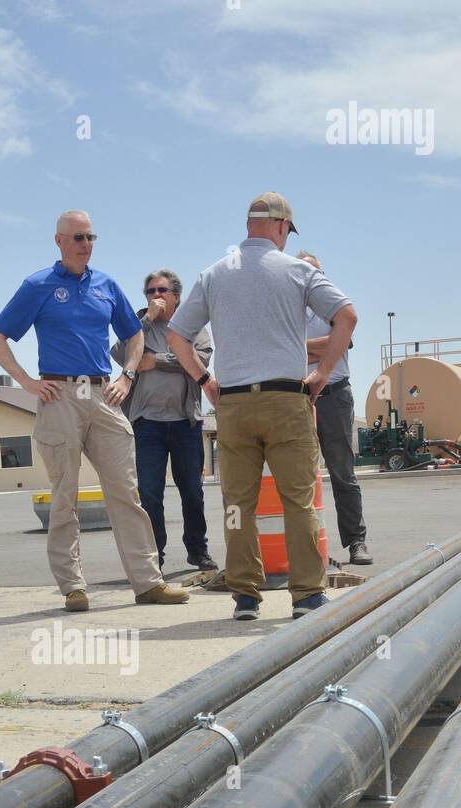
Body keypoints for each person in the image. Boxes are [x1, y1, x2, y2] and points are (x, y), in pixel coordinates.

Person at [0, 210, 188, 611]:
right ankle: (73, 587)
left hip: (102, 394)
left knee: (127, 493)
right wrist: (26, 383)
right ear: (59, 241)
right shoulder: (37, 286)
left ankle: (148, 582)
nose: (85, 244)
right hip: (58, 395)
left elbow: (132, 334)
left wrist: (127, 375)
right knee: (65, 496)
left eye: (90, 237)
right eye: (77, 237)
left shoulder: (106, 285)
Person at [167, 192, 357, 620]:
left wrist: (205, 381)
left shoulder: (214, 274)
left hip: (232, 404)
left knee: (238, 504)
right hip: (287, 400)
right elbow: (347, 315)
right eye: (288, 231)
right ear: (279, 225)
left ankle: (246, 597)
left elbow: (178, 336)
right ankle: (307, 595)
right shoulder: (296, 271)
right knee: (298, 501)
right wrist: (323, 372)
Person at [111, 269, 216, 571]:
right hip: (147, 424)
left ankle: (198, 550)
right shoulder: (137, 326)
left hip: (186, 423)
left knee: (192, 494)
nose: (156, 296)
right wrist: (143, 322)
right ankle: (154, 556)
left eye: (162, 291)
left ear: (177, 296)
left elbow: (200, 360)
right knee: (150, 495)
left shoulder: (191, 325)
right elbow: (119, 353)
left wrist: (154, 360)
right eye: (150, 291)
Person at [297, 252, 371, 565]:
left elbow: (343, 341)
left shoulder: (333, 308)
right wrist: (325, 347)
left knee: (343, 474)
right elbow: (283, 352)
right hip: (299, 398)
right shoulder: (288, 312)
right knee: (298, 477)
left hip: (335, 398)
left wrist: (302, 349)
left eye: (316, 272)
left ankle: (356, 542)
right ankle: (308, 548)